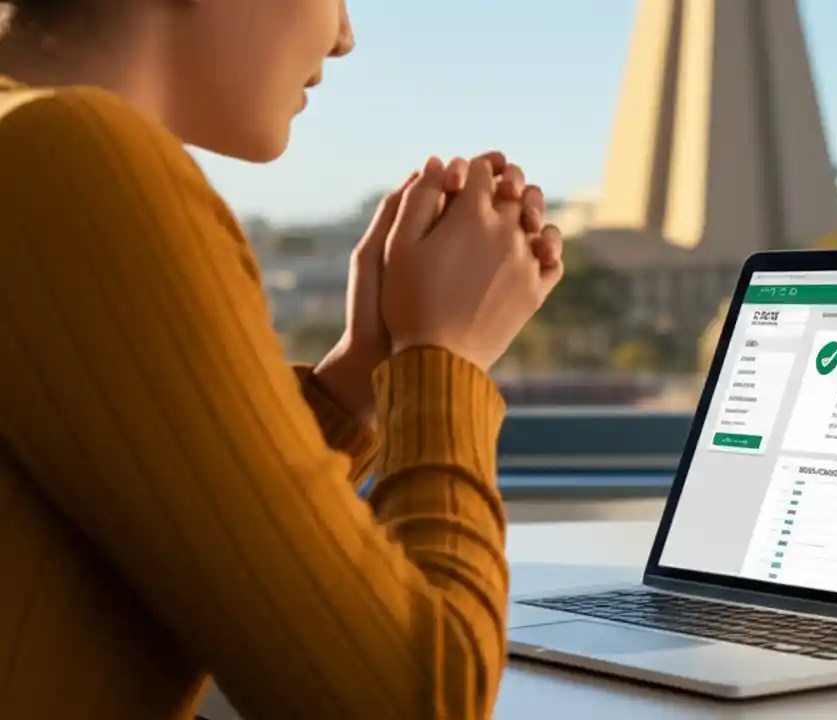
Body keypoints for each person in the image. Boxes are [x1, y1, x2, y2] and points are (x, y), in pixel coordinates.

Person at [0, 0, 563, 717]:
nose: (345, 36)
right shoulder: (74, 158)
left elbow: (165, 529)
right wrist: (443, 360)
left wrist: (360, 375)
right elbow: (415, 701)